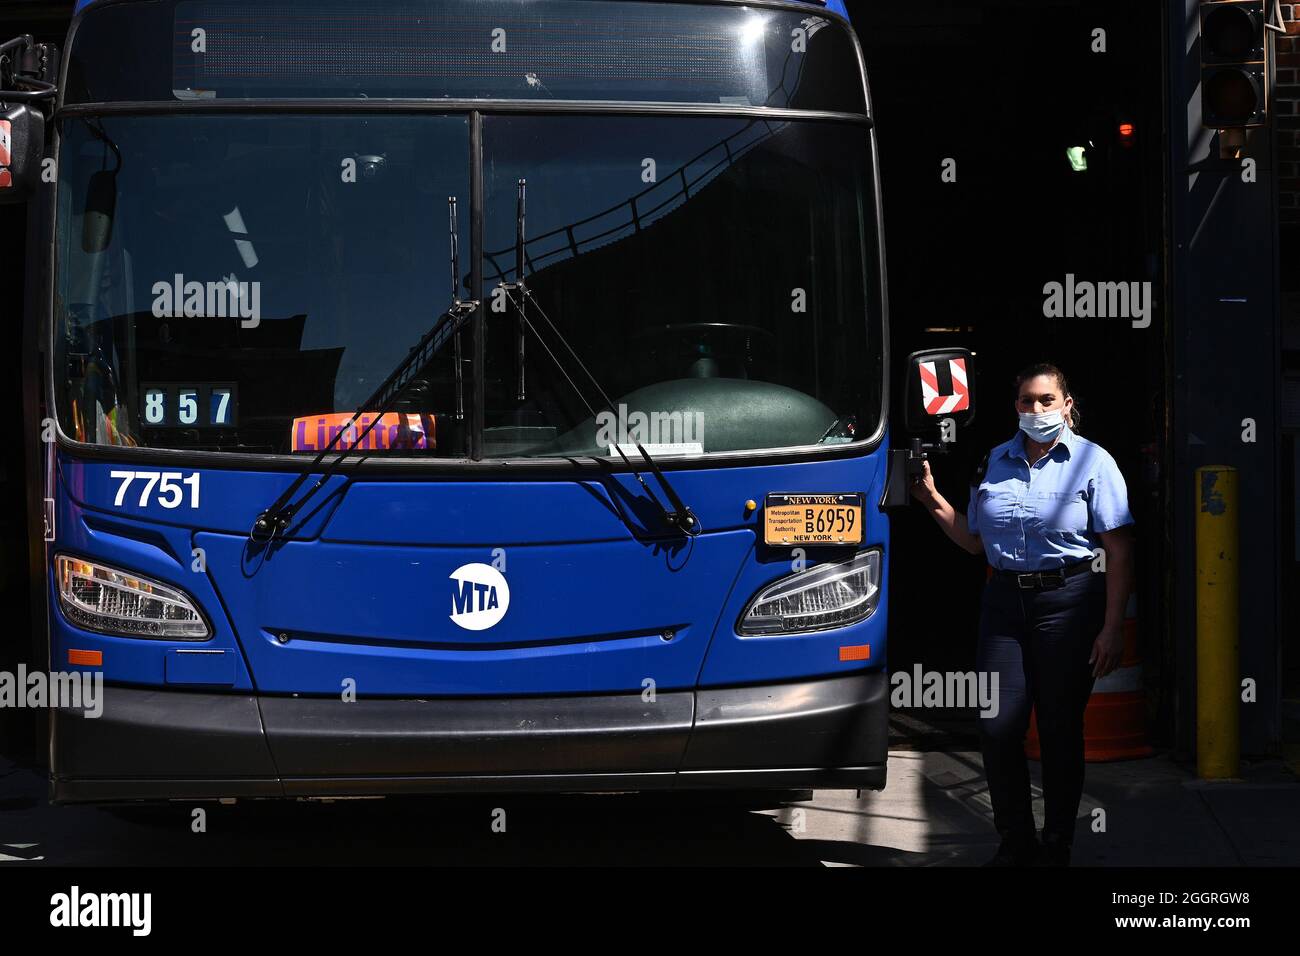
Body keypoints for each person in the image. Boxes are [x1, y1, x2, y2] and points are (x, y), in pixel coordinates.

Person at [909, 362, 1134, 866]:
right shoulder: (993, 461)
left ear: (1066, 404)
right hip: (1004, 604)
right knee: (996, 725)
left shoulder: (1094, 463)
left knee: (1057, 729)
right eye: (1027, 401)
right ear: (1015, 406)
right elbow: (972, 541)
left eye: (1046, 400)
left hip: (1068, 604)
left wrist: (1112, 626)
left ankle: (1057, 844)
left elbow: (1118, 551)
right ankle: (1016, 841)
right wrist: (930, 499)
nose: (1035, 410)